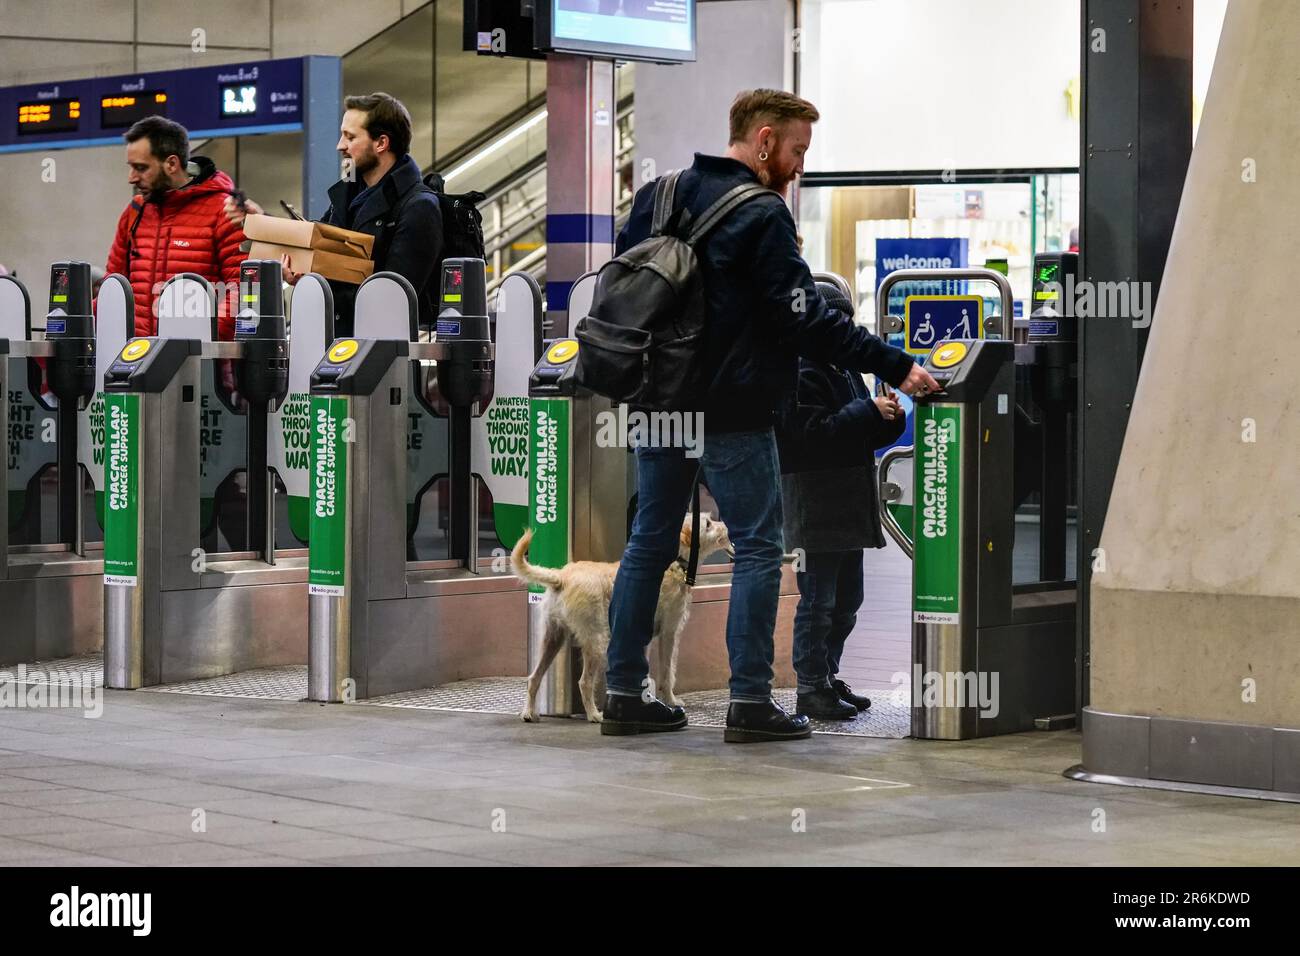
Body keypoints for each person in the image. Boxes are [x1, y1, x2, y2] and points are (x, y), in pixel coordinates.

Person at [601, 88, 941, 743]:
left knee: (647, 543)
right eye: (796, 150)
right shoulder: (761, 213)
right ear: (762, 140)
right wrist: (893, 362)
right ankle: (750, 703)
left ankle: (623, 694)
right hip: (732, 407)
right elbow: (806, 318)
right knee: (758, 548)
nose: (799, 166)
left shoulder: (660, 194)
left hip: (658, 398)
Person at [777, 280, 905, 720]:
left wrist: (886, 420)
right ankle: (811, 687)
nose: (844, 331)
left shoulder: (844, 370)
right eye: (837, 322)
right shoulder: (799, 370)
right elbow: (807, 437)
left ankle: (828, 677)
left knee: (848, 600)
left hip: (847, 503)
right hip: (815, 504)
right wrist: (867, 412)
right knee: (818, 602)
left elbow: (857, 432)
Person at [227, 92, 442, 334]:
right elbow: (316, 246)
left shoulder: (419, 207)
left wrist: (318, 278)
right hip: (331, 346)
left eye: (350, 137)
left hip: (381, 358)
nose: (340, 145)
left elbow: (393, 300)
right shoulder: (348, 196)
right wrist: (260, 221)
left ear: (381, 143)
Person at [105, 116, 246, 337]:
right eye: (131, 167)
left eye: (141, 168)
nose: (131, 178)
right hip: (135, 359)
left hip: (200, 365)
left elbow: (243, 290)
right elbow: (112, 288)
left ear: (171, 164)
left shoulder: (226, 211)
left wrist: (198, 343)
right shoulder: (134, 212)